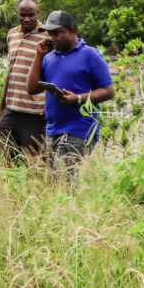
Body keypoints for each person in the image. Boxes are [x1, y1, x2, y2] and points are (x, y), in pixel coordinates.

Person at [27, 10, 114, 173]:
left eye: (57, 34)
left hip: (79, 128)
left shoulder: (90, 55)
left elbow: (108, 91)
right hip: (52, 129)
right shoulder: (49, 57)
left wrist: (78, 99)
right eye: (50, 34)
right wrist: (39, 56)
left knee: (63, 181)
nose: (52, 39)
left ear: (72, 30)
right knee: (56, 184)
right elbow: (31, 88)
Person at [0, 0, 48, 162]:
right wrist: (2, 108)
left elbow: (55, 71)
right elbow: (12, 72)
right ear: (17, 14)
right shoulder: (12, 35)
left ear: (37, 13)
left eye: (31, 15)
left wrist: (50, 105)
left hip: (35, 112)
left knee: (35, 162)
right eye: (22, 15)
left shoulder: (47, 36)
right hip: (12, 109)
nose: (27, 19)